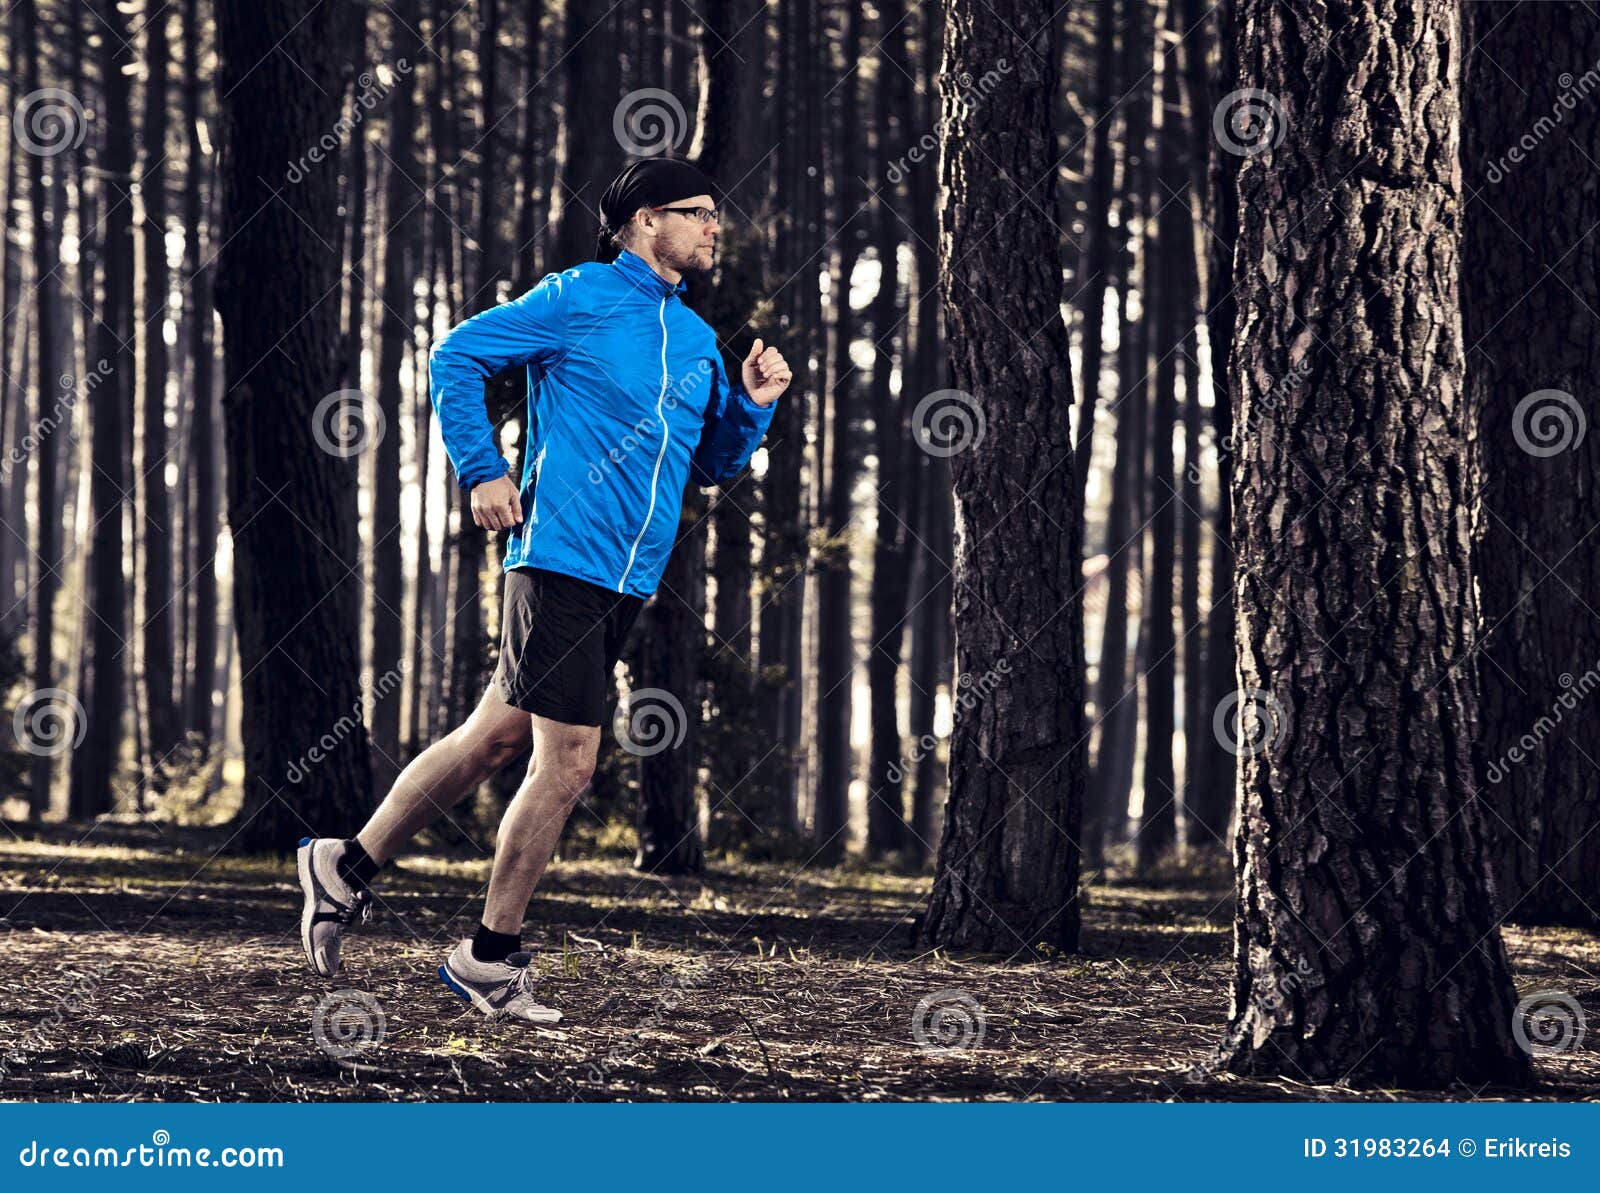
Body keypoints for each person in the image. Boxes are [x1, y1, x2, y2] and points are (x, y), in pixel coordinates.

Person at [295, 158, 791, 1023]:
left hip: (626, 580)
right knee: (569, 764)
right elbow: (456, 355)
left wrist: (751, 404)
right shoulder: (578, 296)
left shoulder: (697, 340)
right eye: (698, 212)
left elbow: (710, 464)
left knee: (491, 738)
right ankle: (488, 957)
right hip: (559, 555)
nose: (716, 226)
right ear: (645, 220)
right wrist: (482, 468)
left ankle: (345, 863)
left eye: (717, 213)